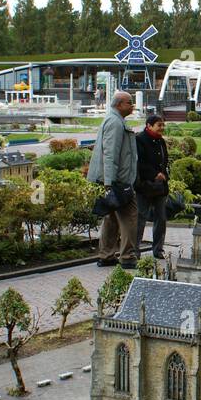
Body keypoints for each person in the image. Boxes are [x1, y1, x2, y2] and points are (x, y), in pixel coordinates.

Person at [86, 90, 138, 268]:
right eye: (130, 102)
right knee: (130, 217)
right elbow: (110, 154)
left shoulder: (114, 120)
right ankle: (128, 257)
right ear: (119, 104)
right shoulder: (115, 122)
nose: (133, 106)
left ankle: (106, 255)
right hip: (118, 182)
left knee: (111, 218)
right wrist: (110, 184)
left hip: (111, 180)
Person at [135, 113, 170, 262]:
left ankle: (158, 249)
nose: (161, 128)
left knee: (161, 218)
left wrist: (164, 176)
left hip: (160, 187)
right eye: (159, 125)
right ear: (149, 126)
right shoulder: (139, 139)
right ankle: (134, 250)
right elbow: (139, 162)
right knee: (140, 218)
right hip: (145, 186)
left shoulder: (160, 141)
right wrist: (155, 174)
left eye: (163, 125)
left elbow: (165, 160)